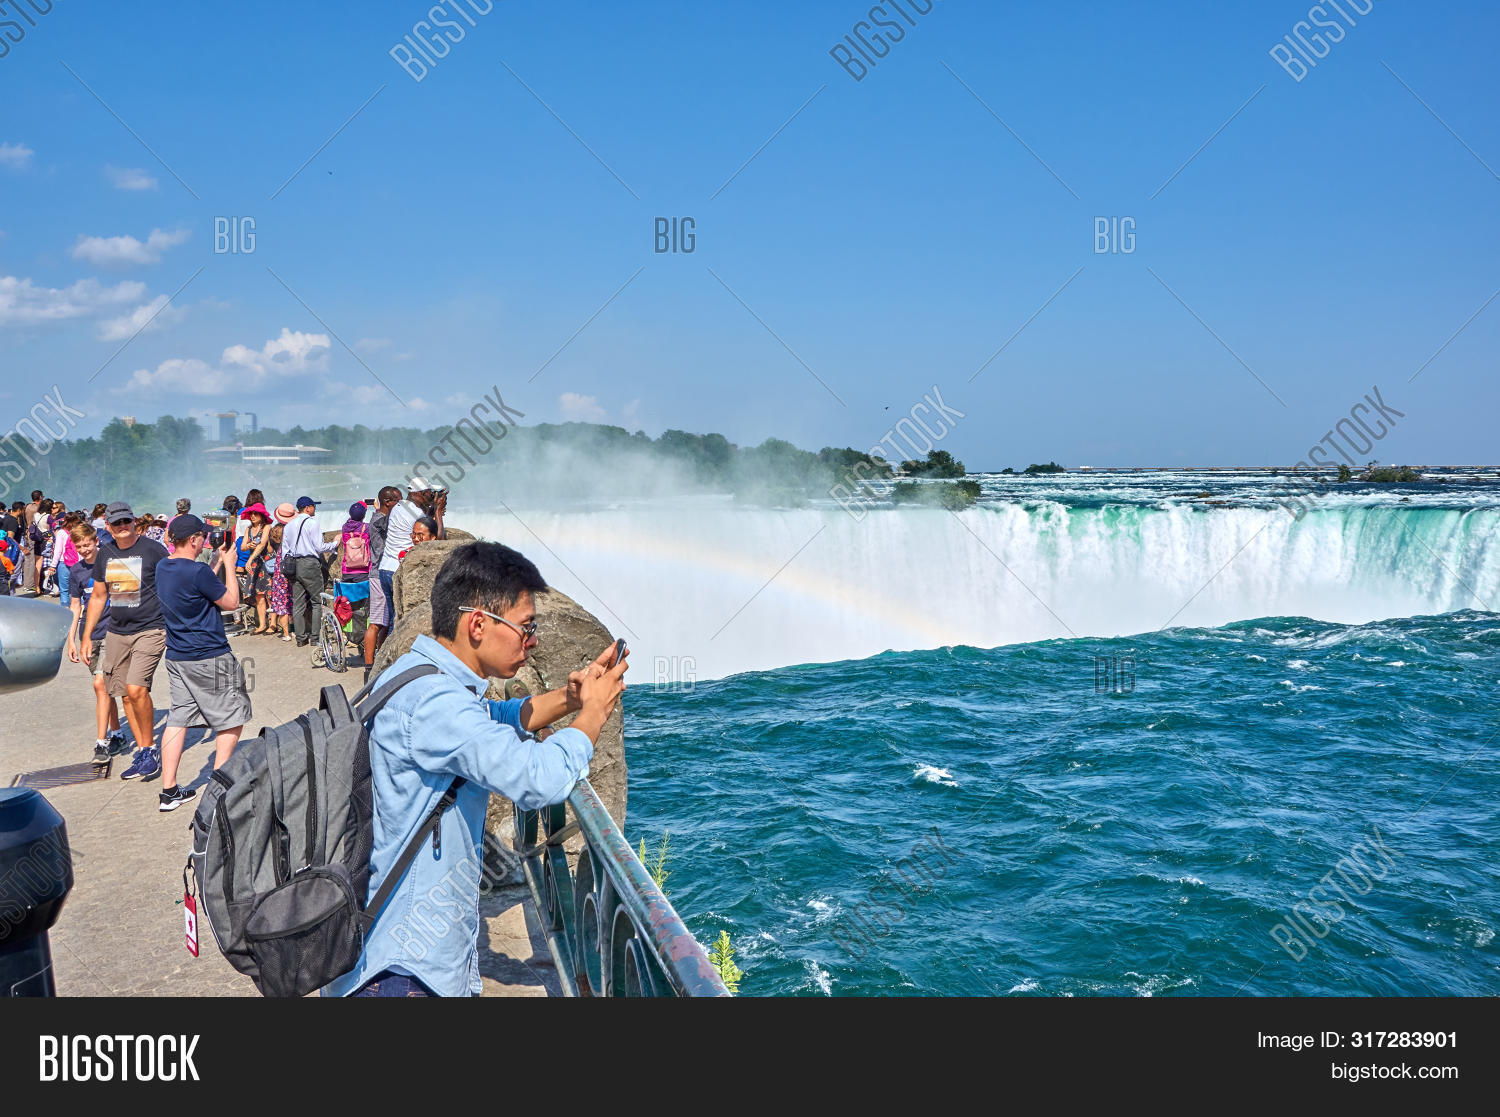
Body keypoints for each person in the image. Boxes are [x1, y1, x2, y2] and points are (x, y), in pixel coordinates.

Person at [322, 541, 627, 997]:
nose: (534, 640)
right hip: (403, 973)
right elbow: (538, 779)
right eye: (526, 628)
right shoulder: (435, 703)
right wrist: (592, 717)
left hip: (393, 957)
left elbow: (490, 721)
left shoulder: (418, 673)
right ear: (479, 624)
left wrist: (569, 699)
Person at [154, 514, 252, 812]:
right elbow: (232, 602)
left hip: (177, 656)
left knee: (179, 718)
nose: (207, 540)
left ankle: (168, 791)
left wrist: (219, 562)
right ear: (194, 540)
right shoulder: (197, 572)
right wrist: (232, 567)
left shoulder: (164, 567)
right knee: (233, 718)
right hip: (210, 655)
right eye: (204, 537)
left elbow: (197, 581)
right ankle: (218, 789)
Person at [82, 502, 170, 782]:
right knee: (123, 693)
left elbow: (171, 585)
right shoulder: (105, 554)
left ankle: (152, 749)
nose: (122, 527)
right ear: (107, 526)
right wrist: (86, 635)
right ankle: (144, 750)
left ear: (134, 522)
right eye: (116, 523)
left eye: (126, 522)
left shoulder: (154, 550)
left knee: (136, 688)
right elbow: (98, 596)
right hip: (117, 631)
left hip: (151, 628)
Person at [65, 523, 128, 767]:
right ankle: (118, 734)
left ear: (95, 540)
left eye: (87, 544)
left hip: (114, 632)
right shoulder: (76, 571)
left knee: (100, 683)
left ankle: (101, 743)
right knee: (106, 689)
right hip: (89, 635)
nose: (83, 550)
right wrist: (72, 639)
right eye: (79, 546)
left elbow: (127, 597)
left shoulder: (112, 562)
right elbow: (74, 606)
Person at [377, 479, 446, 614]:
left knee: (392, 619)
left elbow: (421, 518)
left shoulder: (399, 506)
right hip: (399, 570)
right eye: (430, 493)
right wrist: (438, 512)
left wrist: (433, 508)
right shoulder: (417, 514)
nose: (431, 496)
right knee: (401, 621)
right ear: (422, 493)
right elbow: (438, 540)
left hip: (385, 568)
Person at [281, 495, 337, 647]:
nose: (315, 509)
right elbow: (319, 547)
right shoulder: (312, 523)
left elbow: (285, 550)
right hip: (309, 564)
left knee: (298, 604)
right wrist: (335, 543)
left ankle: (300, 639)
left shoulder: (289, 526)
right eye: (313, 506)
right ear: (307, 508)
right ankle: (315, 638)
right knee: (316, 602)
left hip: (293, 565)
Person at [362, 486, 401, 673]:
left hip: (381, 573)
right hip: (378, 575)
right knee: (376, 623)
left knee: (385, 622)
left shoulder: (381, 518)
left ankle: (380, 660)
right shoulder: (380, 520)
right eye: (398, 502)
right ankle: (369, 667)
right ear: (387, 502)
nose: (401, 506)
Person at [237, 502, 273, 633]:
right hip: (254, 564)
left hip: (266, 563)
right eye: (251, 514)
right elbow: (242, 547)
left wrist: (250, 559)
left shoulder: (267, 527)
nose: (252, 516)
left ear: (262, 515)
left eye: (255, 513)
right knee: (258, 595)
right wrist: (249, 546)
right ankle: (262, 624)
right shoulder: (248, 529)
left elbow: (263, 544)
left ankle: (273, 624)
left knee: (270, 594)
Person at [262, 522, 293, 641]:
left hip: (279, 579)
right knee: (291, 605)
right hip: (289, 577)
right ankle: (293, 630)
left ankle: (286, 634)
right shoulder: (289, 547)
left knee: (282, 607)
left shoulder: (276, 546)